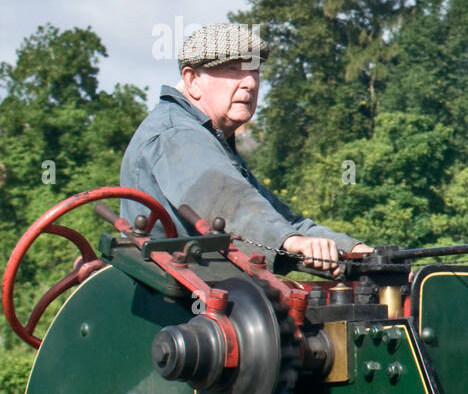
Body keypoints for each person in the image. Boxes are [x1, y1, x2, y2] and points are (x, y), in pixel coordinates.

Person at [120, 24, 372, 275]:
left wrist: (362, 255)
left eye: (255, 71)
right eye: (233, 70)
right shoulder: (177, 134)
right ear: (192, 80)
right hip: (172, 303)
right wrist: (292, 242)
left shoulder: (211, 138)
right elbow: (230, 202)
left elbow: (285, 221)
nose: (250, 82)